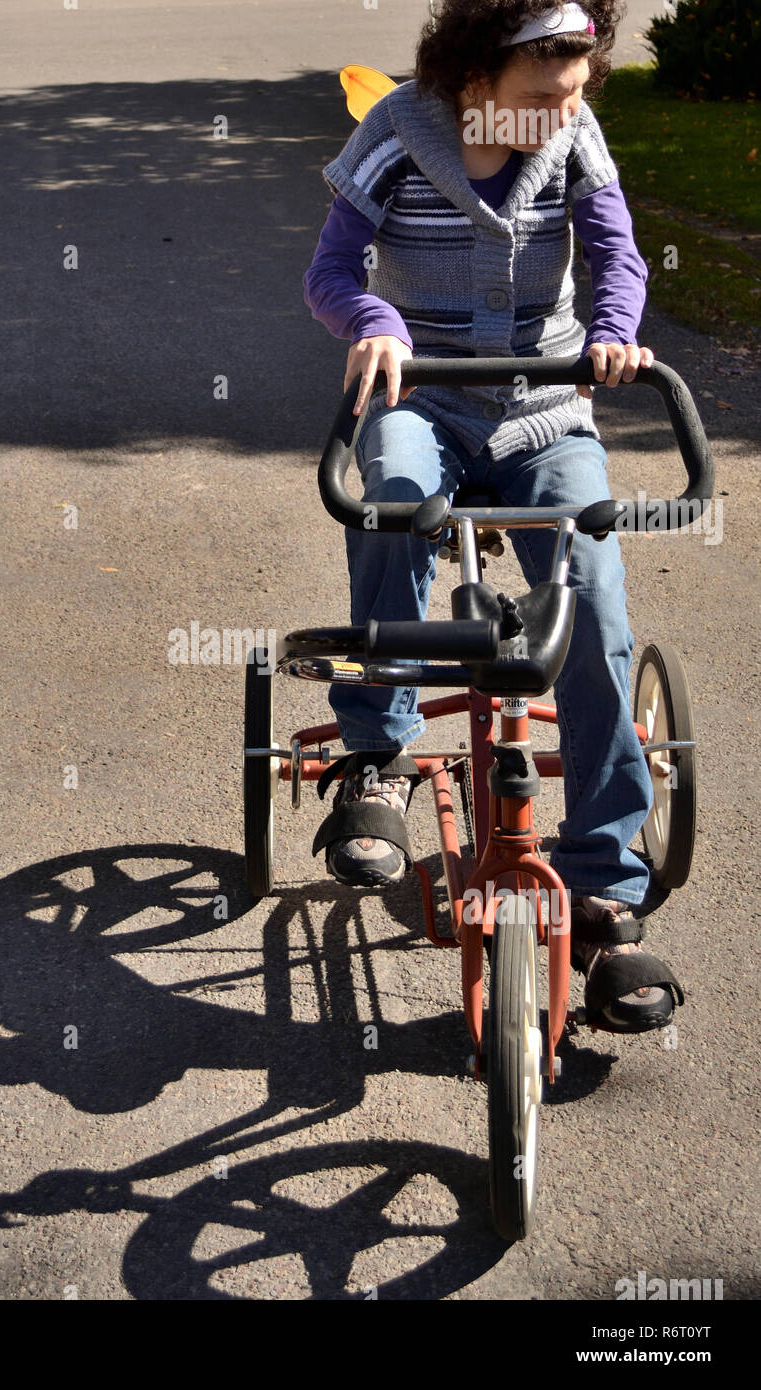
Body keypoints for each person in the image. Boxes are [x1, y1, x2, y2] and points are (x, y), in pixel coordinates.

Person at [302, 0, 684, 1034]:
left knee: (594, 598)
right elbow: (332, 273)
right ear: (478, 76)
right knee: (389, 499)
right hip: (422, 395)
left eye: (580, 81)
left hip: (544, 404)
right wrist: (373, 322)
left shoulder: (571, 136)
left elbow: (618, 254)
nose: (569, 102)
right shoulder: (396, 134)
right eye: (547, 83)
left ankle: (606, 886)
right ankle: (377, 756)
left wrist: (613, 330)